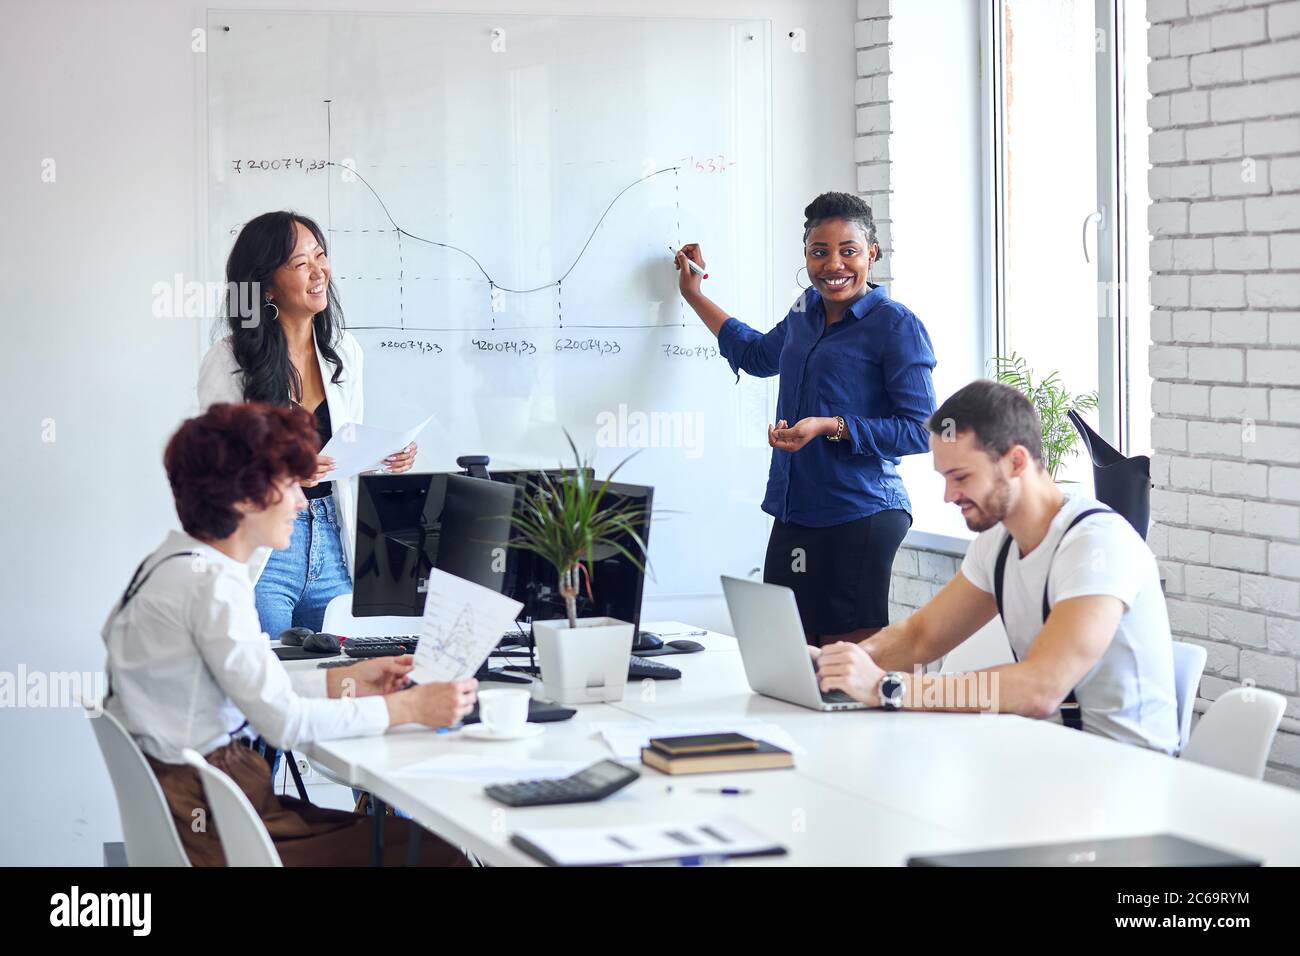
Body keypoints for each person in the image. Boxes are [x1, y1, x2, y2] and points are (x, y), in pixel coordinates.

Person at [100, 402, 477, 865]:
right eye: (290, 486)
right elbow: (284, 723)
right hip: (219, 825)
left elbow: (245, 683)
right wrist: (407, 707)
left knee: (407, 839)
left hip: (203, 805)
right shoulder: (213, 588)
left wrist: (346, 681)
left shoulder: (171, 565)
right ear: (243, 497)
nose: (302, 502)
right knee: (434, 853)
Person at [815, 380, 1180, 754]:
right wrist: (837, 663)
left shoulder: (1097, 544)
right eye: (945, 479)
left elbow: (1041, 687)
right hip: (1049, 755)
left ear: (1016, 461)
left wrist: (887, 687)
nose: (948, 496)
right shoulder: (999, 541)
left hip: (1127, 772)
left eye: (961, 477)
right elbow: (920, 636)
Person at [676, 191, 937, 646]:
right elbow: (758, 355)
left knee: (846, 666)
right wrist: (694, 295)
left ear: (871, 254)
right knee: (784, 653)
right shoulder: (804, 310)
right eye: (820, 252)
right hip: (797, 508)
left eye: (848, 251)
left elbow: (921, 430)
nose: (833, 264)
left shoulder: (895, 325)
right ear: (807, 255)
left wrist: (829, 426)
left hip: (861, 511)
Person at [198, 211, 416, 638]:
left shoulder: (344, 351)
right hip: (267, 551)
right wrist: (284, 473)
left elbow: (344, 457)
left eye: (321, 256)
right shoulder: (228, 362)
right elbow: (210, 473)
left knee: (338, 678)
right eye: (301, 264)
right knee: (267, 687)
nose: (320, 272)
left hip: (334, 545)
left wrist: (382, 457)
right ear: (264, 286)